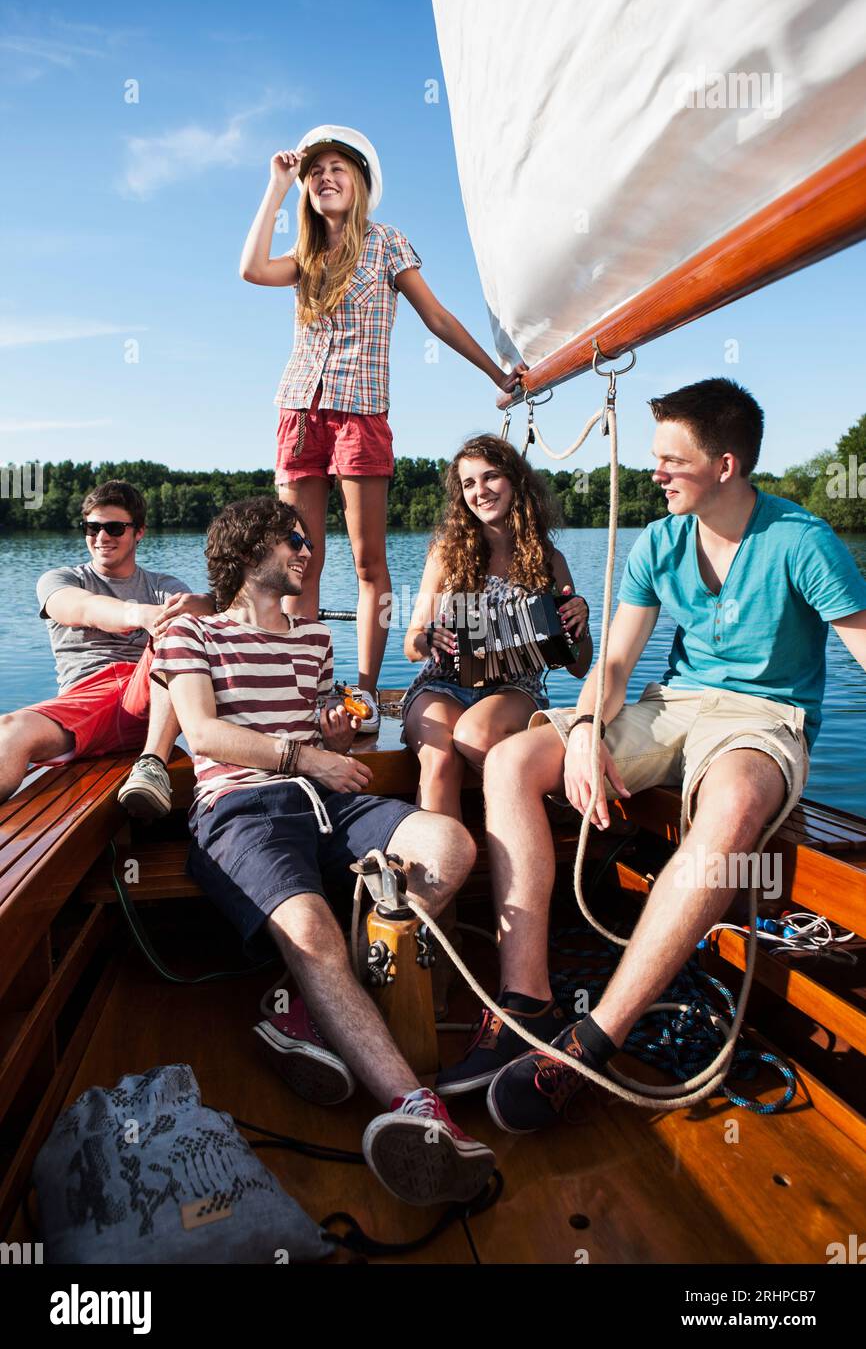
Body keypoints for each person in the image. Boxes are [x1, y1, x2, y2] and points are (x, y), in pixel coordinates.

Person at [436, 377, 866, 1118]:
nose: (654, 471)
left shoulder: (803, 542)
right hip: (671, 706)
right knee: (510, 760)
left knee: (730, 807)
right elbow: (611, 668)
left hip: (762, 719)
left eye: (671, 459)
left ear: (725, 466)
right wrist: (582, 734)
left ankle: (593, 1042)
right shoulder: (660, 543)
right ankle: (525, 1004)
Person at [151, 495, 496, 1206]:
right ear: (248, 556)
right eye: (291, 541)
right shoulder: (194, 636)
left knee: (450, 844)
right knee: (309, 933)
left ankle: (312, 1003)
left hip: (328, 805)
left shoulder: (314, 641)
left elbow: (323, 733)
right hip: (240, 809)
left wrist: (336, 733)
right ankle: (416, 1108)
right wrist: (308, 756)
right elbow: (205, 735)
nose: (308, 551)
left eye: (309, 541)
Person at [239, 125, 526, 733]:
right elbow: (250, 269)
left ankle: (363, 693)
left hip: (362, 414)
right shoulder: (307, 256)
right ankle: (308, 690)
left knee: (370, 563)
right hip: (299, 412)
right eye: (315, 172)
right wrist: (275, 187)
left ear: (362, 184)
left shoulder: (388, 244)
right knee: (299, 560)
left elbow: (439, 317)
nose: (326, 178)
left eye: (339, 168)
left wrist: (497, 374)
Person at [402, 435, 593, 817]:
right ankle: (440, 866)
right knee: (439, 759)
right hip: (442, 683)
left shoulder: (548, 560)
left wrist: (579, 625)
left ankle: (555, 801)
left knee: (474, 734)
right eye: (469, 483)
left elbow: (580, 666)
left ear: (516, 483)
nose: (481, 491)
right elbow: (411, 646)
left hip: (514, 688)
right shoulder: (445, 554)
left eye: (491, 477)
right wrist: (427, 637)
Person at [0, 481, 212, 811]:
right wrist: (140, 614)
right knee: (9, 731)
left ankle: (152, 763)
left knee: (179, 628)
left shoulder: (160, 585)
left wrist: (207, 603)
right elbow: (83, 608)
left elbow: (201, 616)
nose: (102, 538)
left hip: (147, 695)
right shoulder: (60, 580)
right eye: (92, 527)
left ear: (138, 532)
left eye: (114, 528)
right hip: (85, 702)